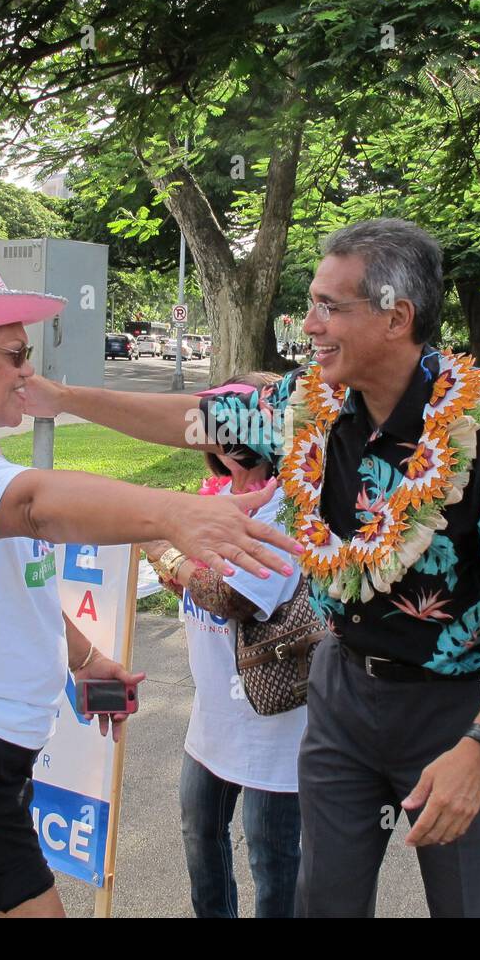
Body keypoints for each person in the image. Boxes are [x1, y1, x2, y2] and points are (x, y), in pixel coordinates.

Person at [22, 218, 480, 917]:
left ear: (395, 316)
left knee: (476, 905)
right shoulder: (309, 404)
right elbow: (198, 418)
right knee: (324, 902)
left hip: (459, 706)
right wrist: (66, 400)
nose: (307, 324)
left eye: (327, 306)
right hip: (342, 693)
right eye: (309, 303)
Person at [0, 258, 301, 918]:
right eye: (15, 354)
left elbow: (13, 584)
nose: (28, 371)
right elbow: (37, 506)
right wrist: (173, 514)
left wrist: (85, 659)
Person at [144, 374, 305, 919]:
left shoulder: (290, 506)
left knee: (272, 854)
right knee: (199, 833)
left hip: (276, 721)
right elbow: (200, 584)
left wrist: (165, 552)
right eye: (219, 453)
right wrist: (181, 569)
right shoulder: (215, 501)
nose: (232, 468)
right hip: (213, 716)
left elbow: (230, 596)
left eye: (242, 453)